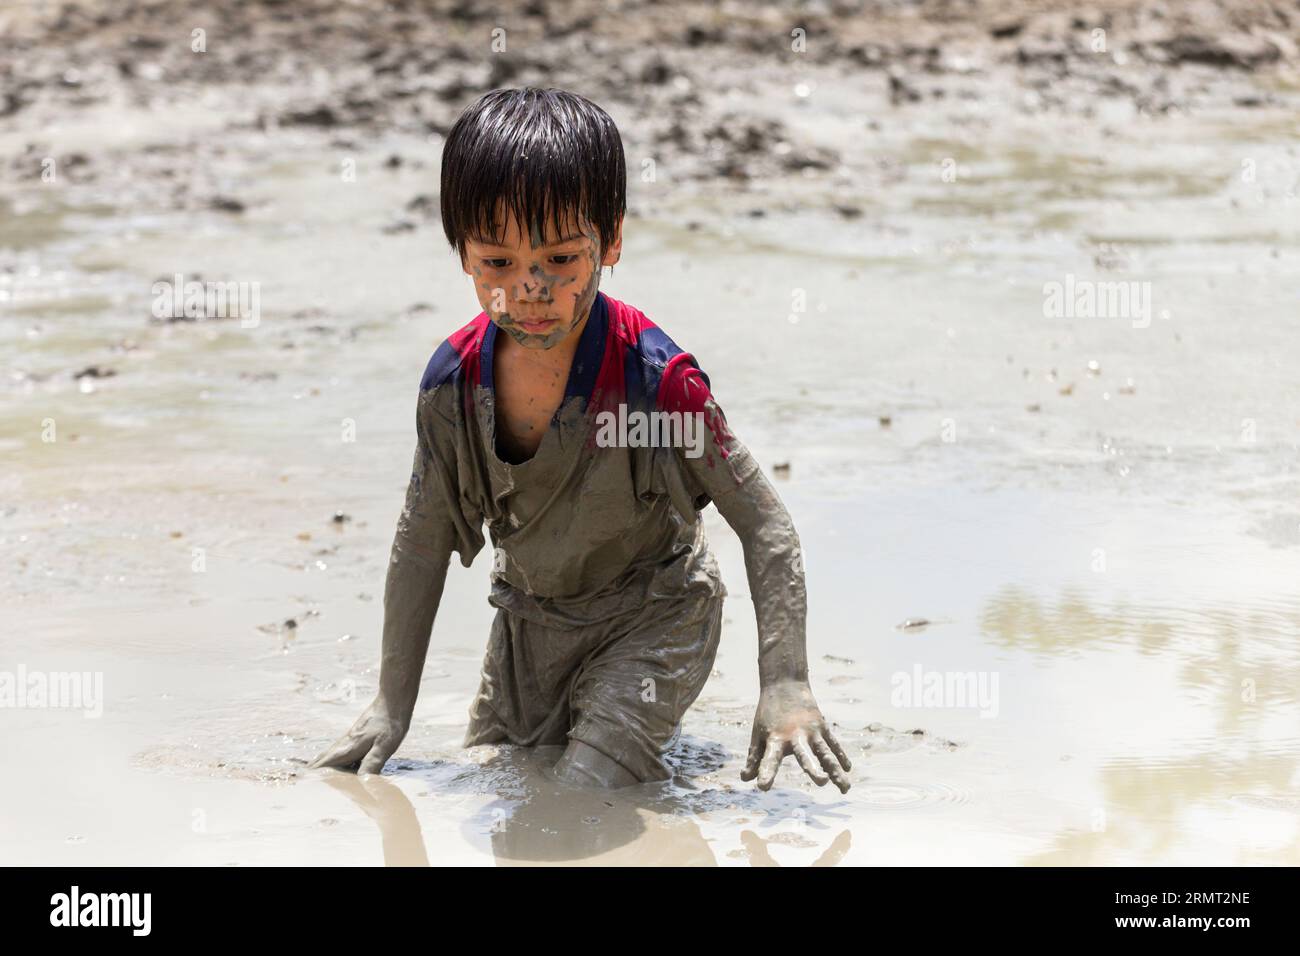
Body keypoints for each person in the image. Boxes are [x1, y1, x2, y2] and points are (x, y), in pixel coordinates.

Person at [310, 88, 850, 792]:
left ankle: (627, 729)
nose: (530, 289)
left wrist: (785, 683)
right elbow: (420, 543)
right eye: (498, 263)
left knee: (576, 799)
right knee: (501, 787)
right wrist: (390, 707)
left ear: (611, 241)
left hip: (655, 617)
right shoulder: (452, 388)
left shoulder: (657, 383)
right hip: (526, 631)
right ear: (463, 256)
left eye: (561, 259)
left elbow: (767, 526)